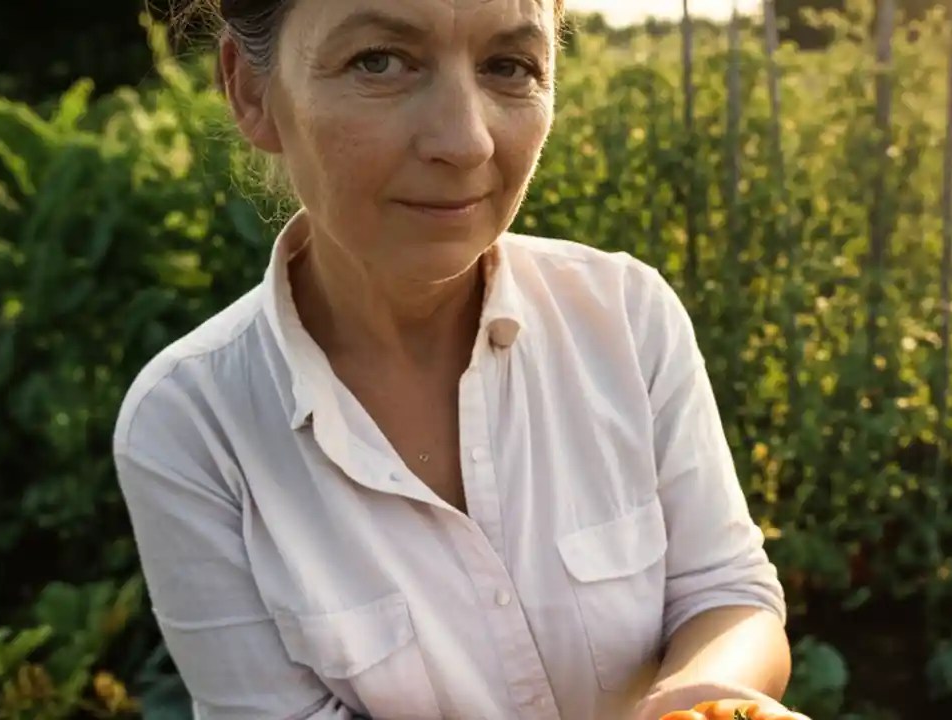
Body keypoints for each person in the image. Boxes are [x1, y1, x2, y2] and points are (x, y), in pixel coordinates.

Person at [112, 1, 802, 718]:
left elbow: (728, 598)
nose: (466, 141)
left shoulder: (625, 316)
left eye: (508, 66)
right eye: (378, 61)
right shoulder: (191, 425)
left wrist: (697, 705)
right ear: (251, 91)